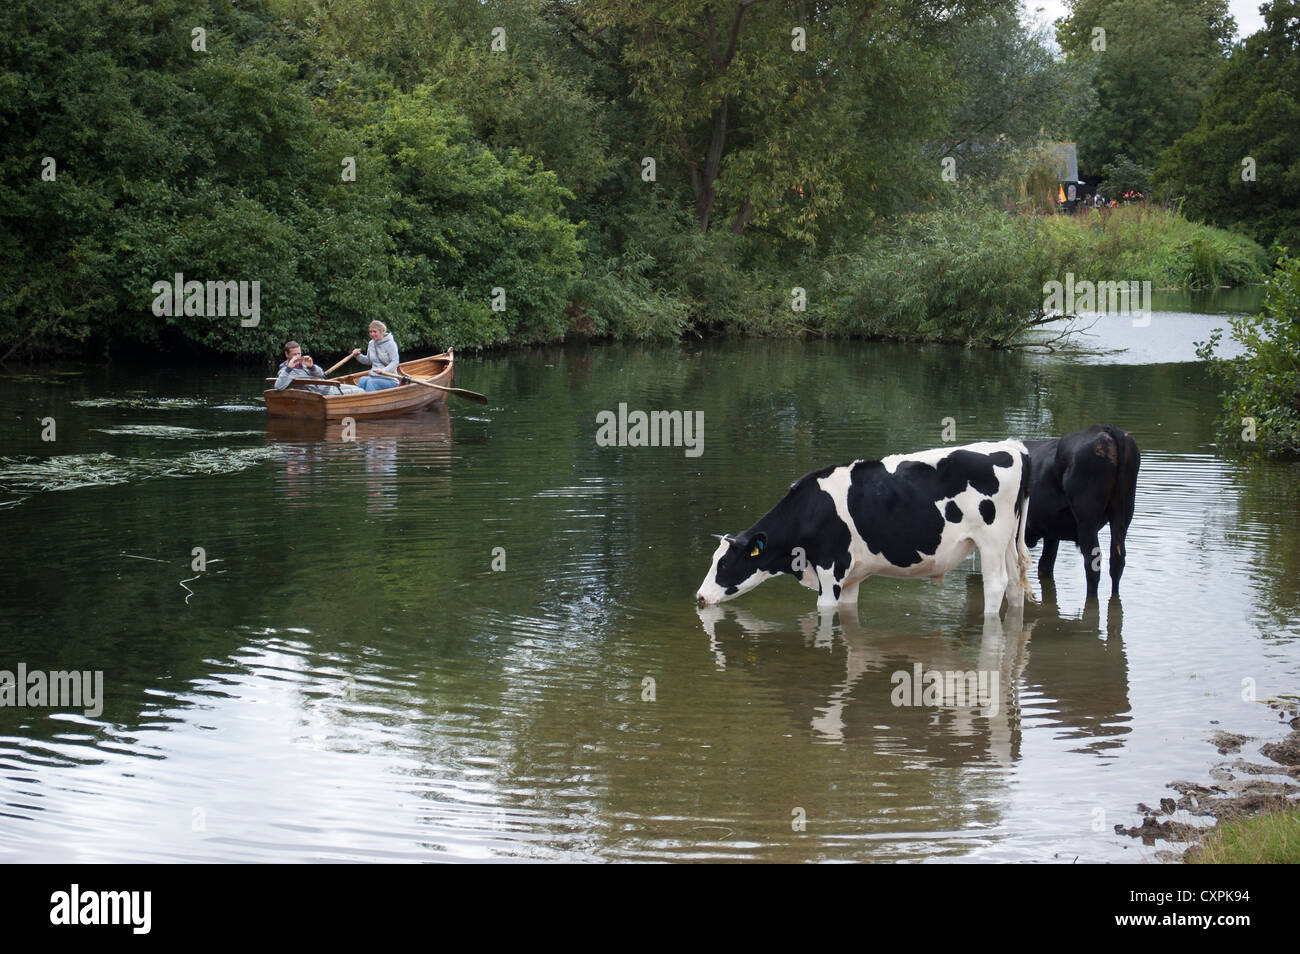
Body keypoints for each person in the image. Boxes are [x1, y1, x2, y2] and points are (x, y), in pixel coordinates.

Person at [275, 340, 363, 394]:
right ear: (287, 354)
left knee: (358, 388)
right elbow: (278, 387)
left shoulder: (304, 363)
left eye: (299, 353)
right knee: (361, 392)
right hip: (321, 393)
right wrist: (289, 368)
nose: (298, 356)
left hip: (327, 386)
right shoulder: (285, 370)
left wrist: (311, 367)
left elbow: (321, 375)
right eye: (294, 354)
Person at [352, 321, 402, 391]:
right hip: (374, 376)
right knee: (362, 380)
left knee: (371, 383)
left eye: (375, 332)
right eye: (370, 332)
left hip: (390, 379)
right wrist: (358, 355)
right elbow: (368, 361)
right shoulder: (371, 343)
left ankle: (369, 401)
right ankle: (358, 400)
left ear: (382, 331)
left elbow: (395, 362)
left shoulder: (391, 344)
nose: (372, 334)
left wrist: (383, 370)